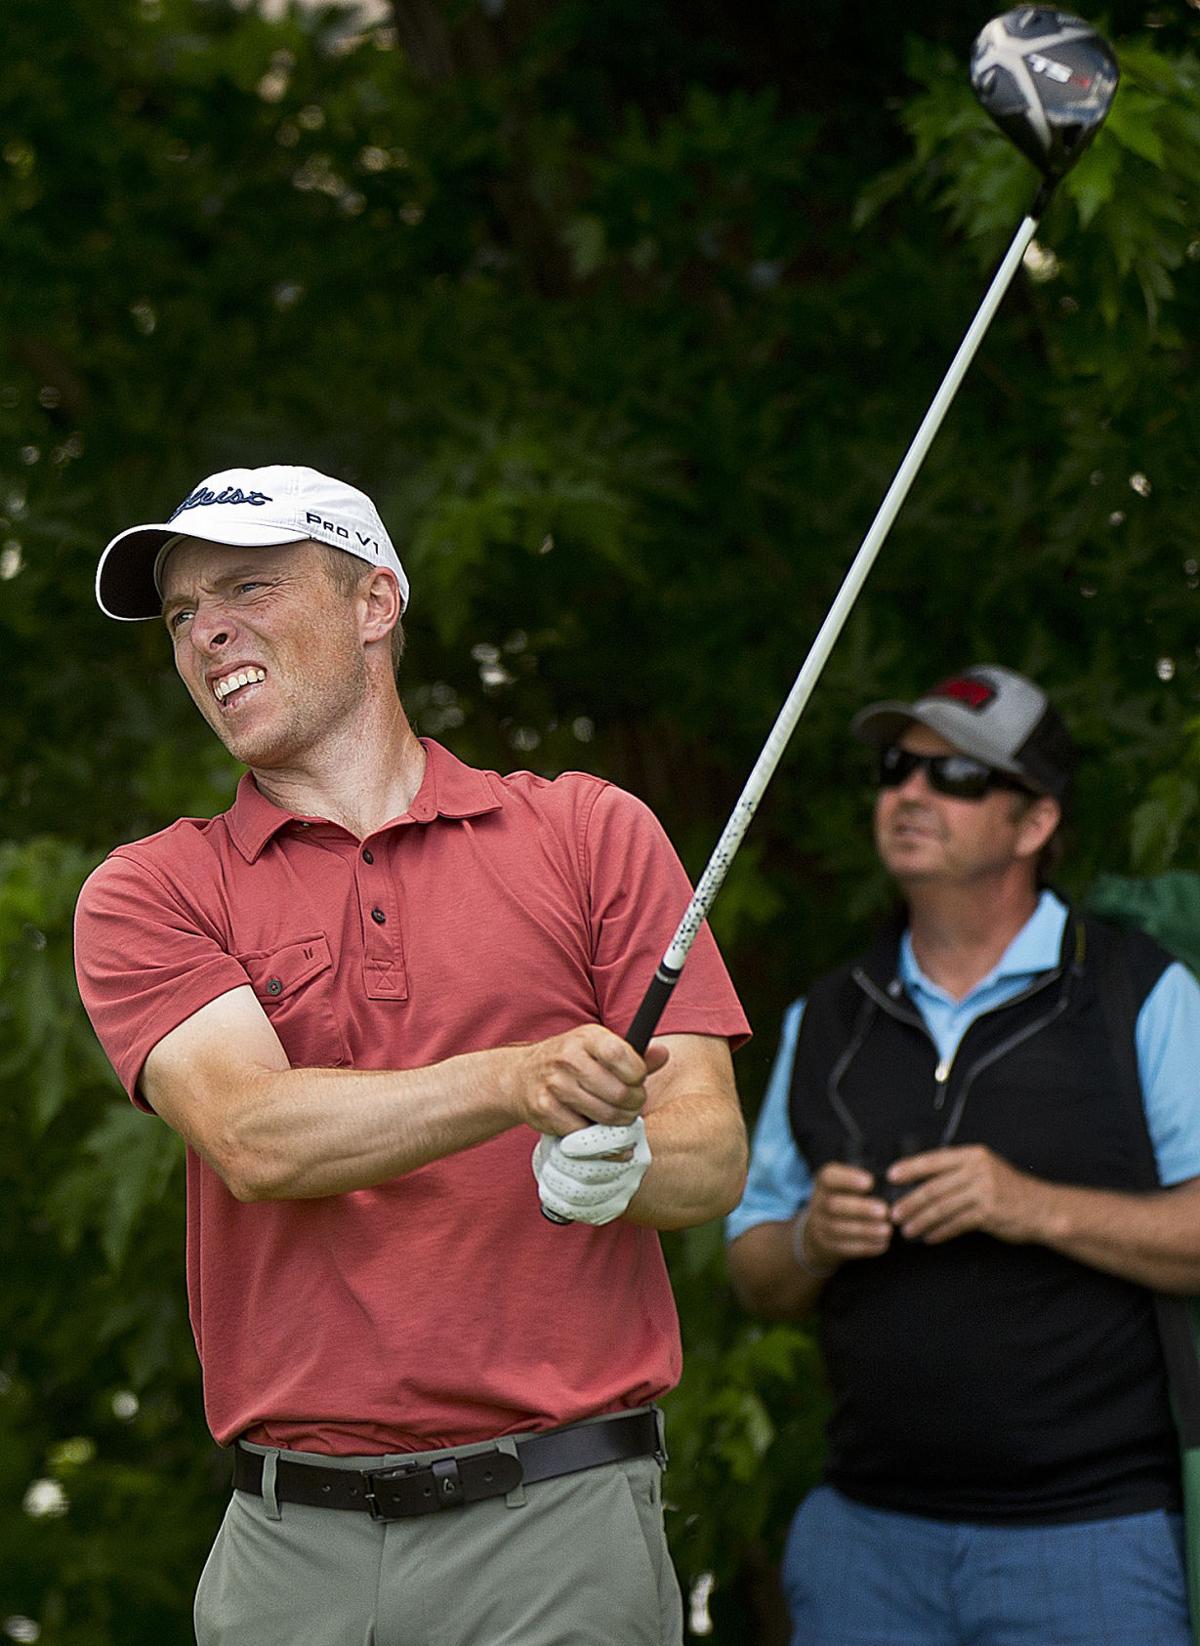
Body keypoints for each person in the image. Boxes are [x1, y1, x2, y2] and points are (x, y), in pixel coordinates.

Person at [74, 463, 750, 1646]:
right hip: (292, 1548)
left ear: (375, 601)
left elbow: (712, 1153)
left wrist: (623, 1160)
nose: (206, 629)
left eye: (249, 586)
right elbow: (254, 1134)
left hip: (561, 1523)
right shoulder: (152, 887)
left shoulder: (592, 832)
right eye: (183, 613)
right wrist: (513, 1079)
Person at [726, 663, 1200, 1646]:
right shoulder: (826, 1016)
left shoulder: (1137, 991)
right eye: (900, 767)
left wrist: (1028, 1203)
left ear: (1035, 823)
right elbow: (754, 1265)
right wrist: (811, 1238)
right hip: (865, 1540)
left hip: (1093, 1539)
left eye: (959, 777)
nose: (910, 792)